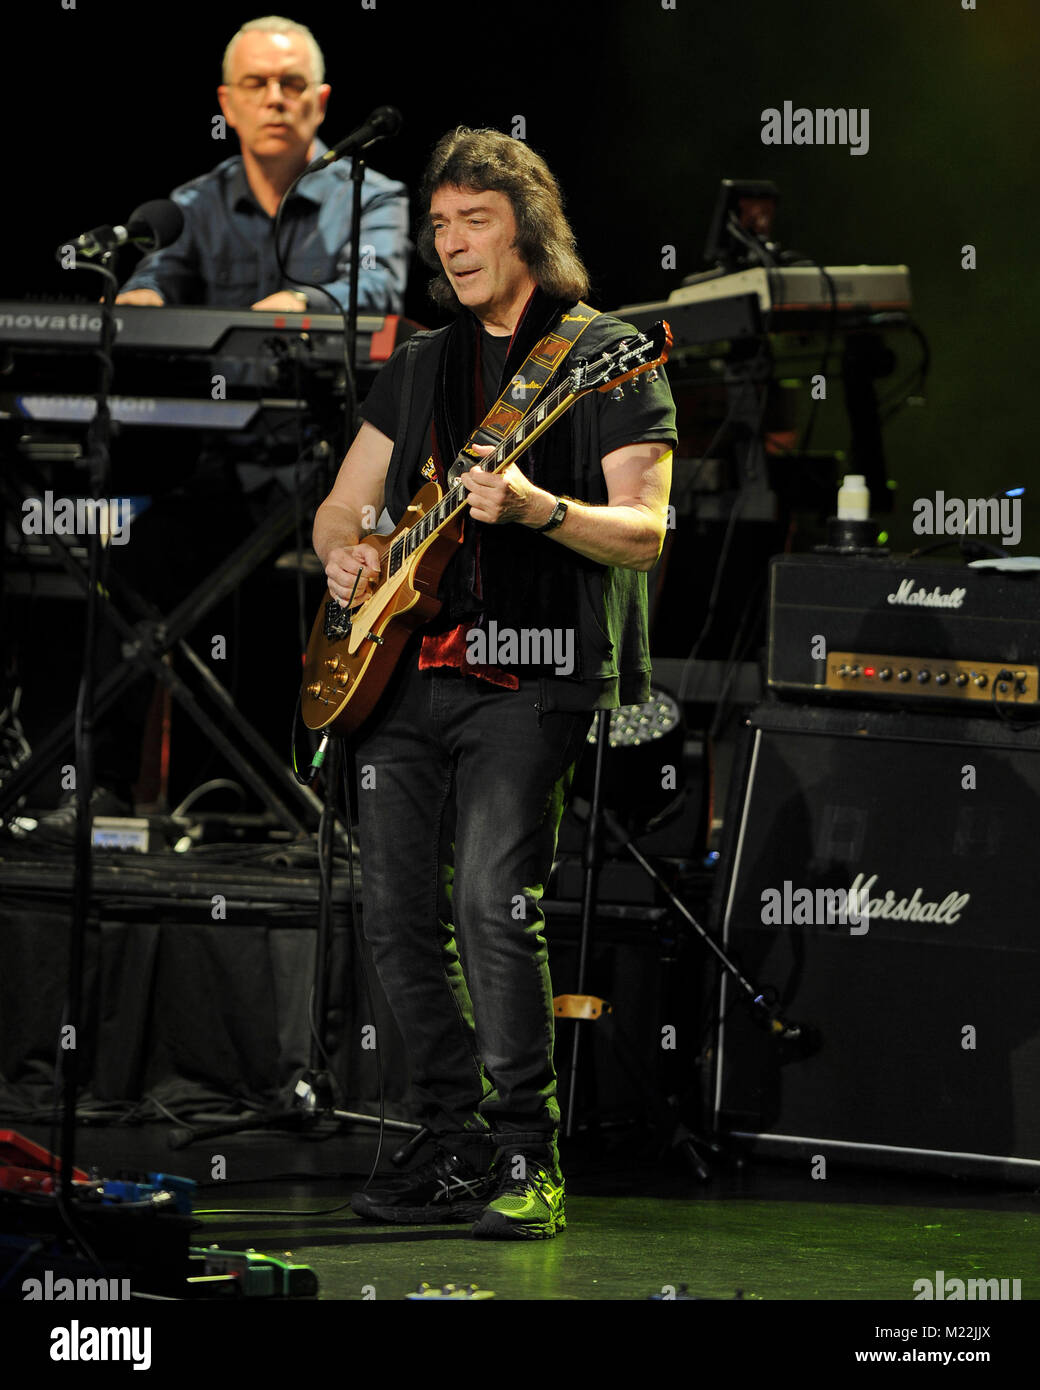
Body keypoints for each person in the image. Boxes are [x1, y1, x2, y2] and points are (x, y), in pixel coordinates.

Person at [312, 127, 676, 1239]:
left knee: (488, 902)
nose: (453, 243)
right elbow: (345, 503)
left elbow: (648, 531)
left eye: (476, 220)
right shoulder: (420, 361)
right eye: (438, 225)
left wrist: (538, 510)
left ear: (526, 226)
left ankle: (528, 1149)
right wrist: (349, 551)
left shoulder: (606, 352)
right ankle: (449, 1139)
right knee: (390, 916)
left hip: (532, 674)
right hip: (401, 675)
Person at [34, 15, 410, 837]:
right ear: (226, 103)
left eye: (291, 84)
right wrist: (138, 301)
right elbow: (154, 283)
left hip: (334, 465)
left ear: (321, 100)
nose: (275, 99)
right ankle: (99, 793)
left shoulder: (370, 198)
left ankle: (315, 812)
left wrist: (305, 306)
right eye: (256, 85)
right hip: (224, 467)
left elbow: (378, 294)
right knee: (133, 556)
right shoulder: (193, 205)